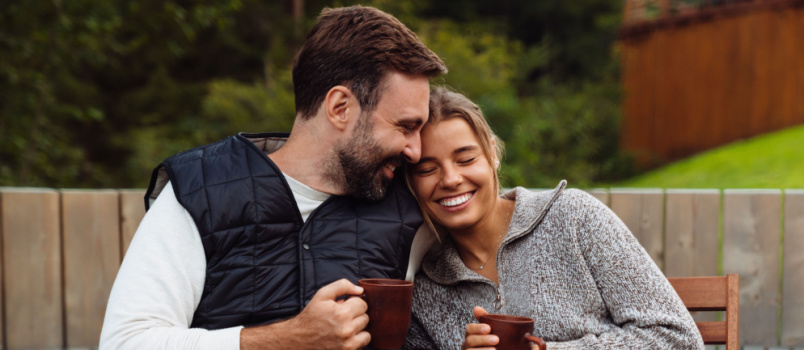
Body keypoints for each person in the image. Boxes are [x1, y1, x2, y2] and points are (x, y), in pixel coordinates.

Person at [99, 6, 446, 350]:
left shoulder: (412, 206)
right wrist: (288, 339)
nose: (415, 151)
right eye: (405, 126)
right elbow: (125, 342)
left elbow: (491, 233)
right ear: (340, 107)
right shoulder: (199, 190)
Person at [402, 87, 704, 349]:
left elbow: (678, 339)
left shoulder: (573, 217)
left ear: (492, 154)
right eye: (427, 170)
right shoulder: (424, 289)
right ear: (411, 183)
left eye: (466, 159)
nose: (451, 179)